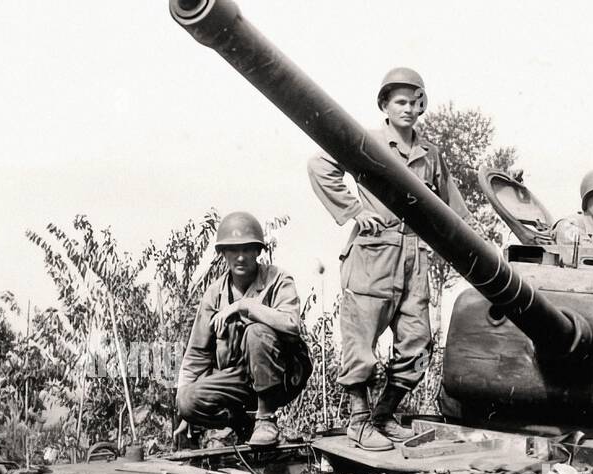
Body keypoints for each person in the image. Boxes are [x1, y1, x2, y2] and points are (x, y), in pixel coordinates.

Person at [308, 67, 470, 451]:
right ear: (384, 105)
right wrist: (351, 211)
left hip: (414, 253)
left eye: (415, 102)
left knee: (417, 341)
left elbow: (454, 208)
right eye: (400, 101)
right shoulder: (369, 142)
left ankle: (382, 416)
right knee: (361, 339)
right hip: (373, 251)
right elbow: (320, 166)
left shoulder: (430, 154)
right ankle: (359, 420)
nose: (409, 109)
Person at [176, 212, 311, 448]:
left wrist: (244, 306)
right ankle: (242, 425)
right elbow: (196, 356)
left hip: (284, 373)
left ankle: (266, 419)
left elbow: (292, 325)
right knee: (186, 400)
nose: (240, 257)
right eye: (233, 250)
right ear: (223, 254)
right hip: (238, 379)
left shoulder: (277, 278)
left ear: (258, 252)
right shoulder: (214, 294)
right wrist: (184, 414)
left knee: (256, 332)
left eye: (247, 249)